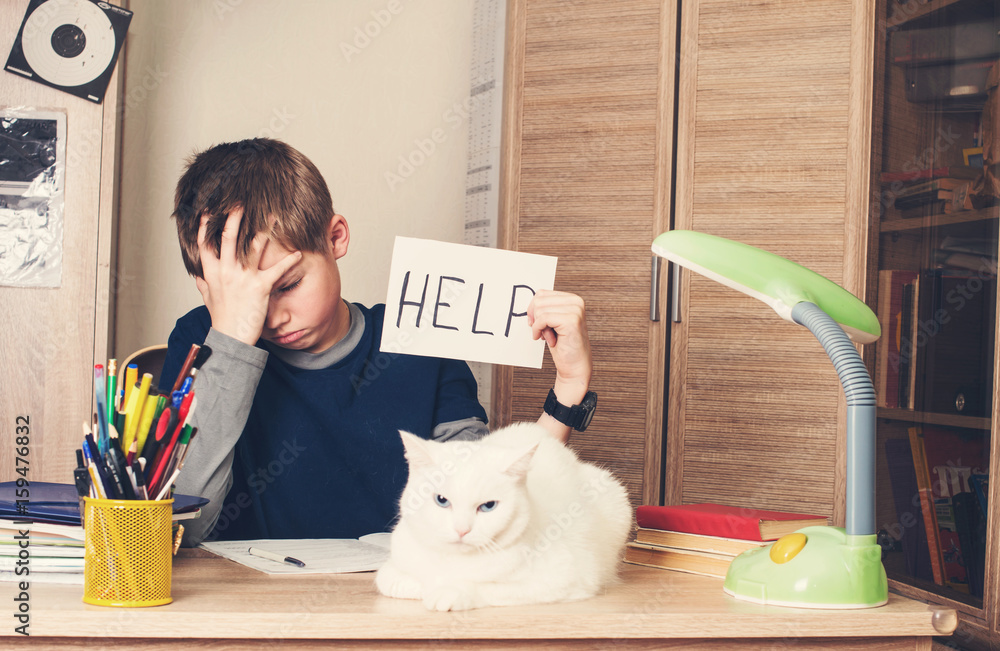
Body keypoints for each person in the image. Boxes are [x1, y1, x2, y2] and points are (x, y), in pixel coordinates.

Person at [160, 138, 593, 546]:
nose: (272, 318)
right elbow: (184, 528)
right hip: (249, 597)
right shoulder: (204, 341)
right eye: (247, 298)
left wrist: (570, 386)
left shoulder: (419, 338)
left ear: (335, 238)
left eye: (287, 286)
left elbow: (485, 497)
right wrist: (232, 341)